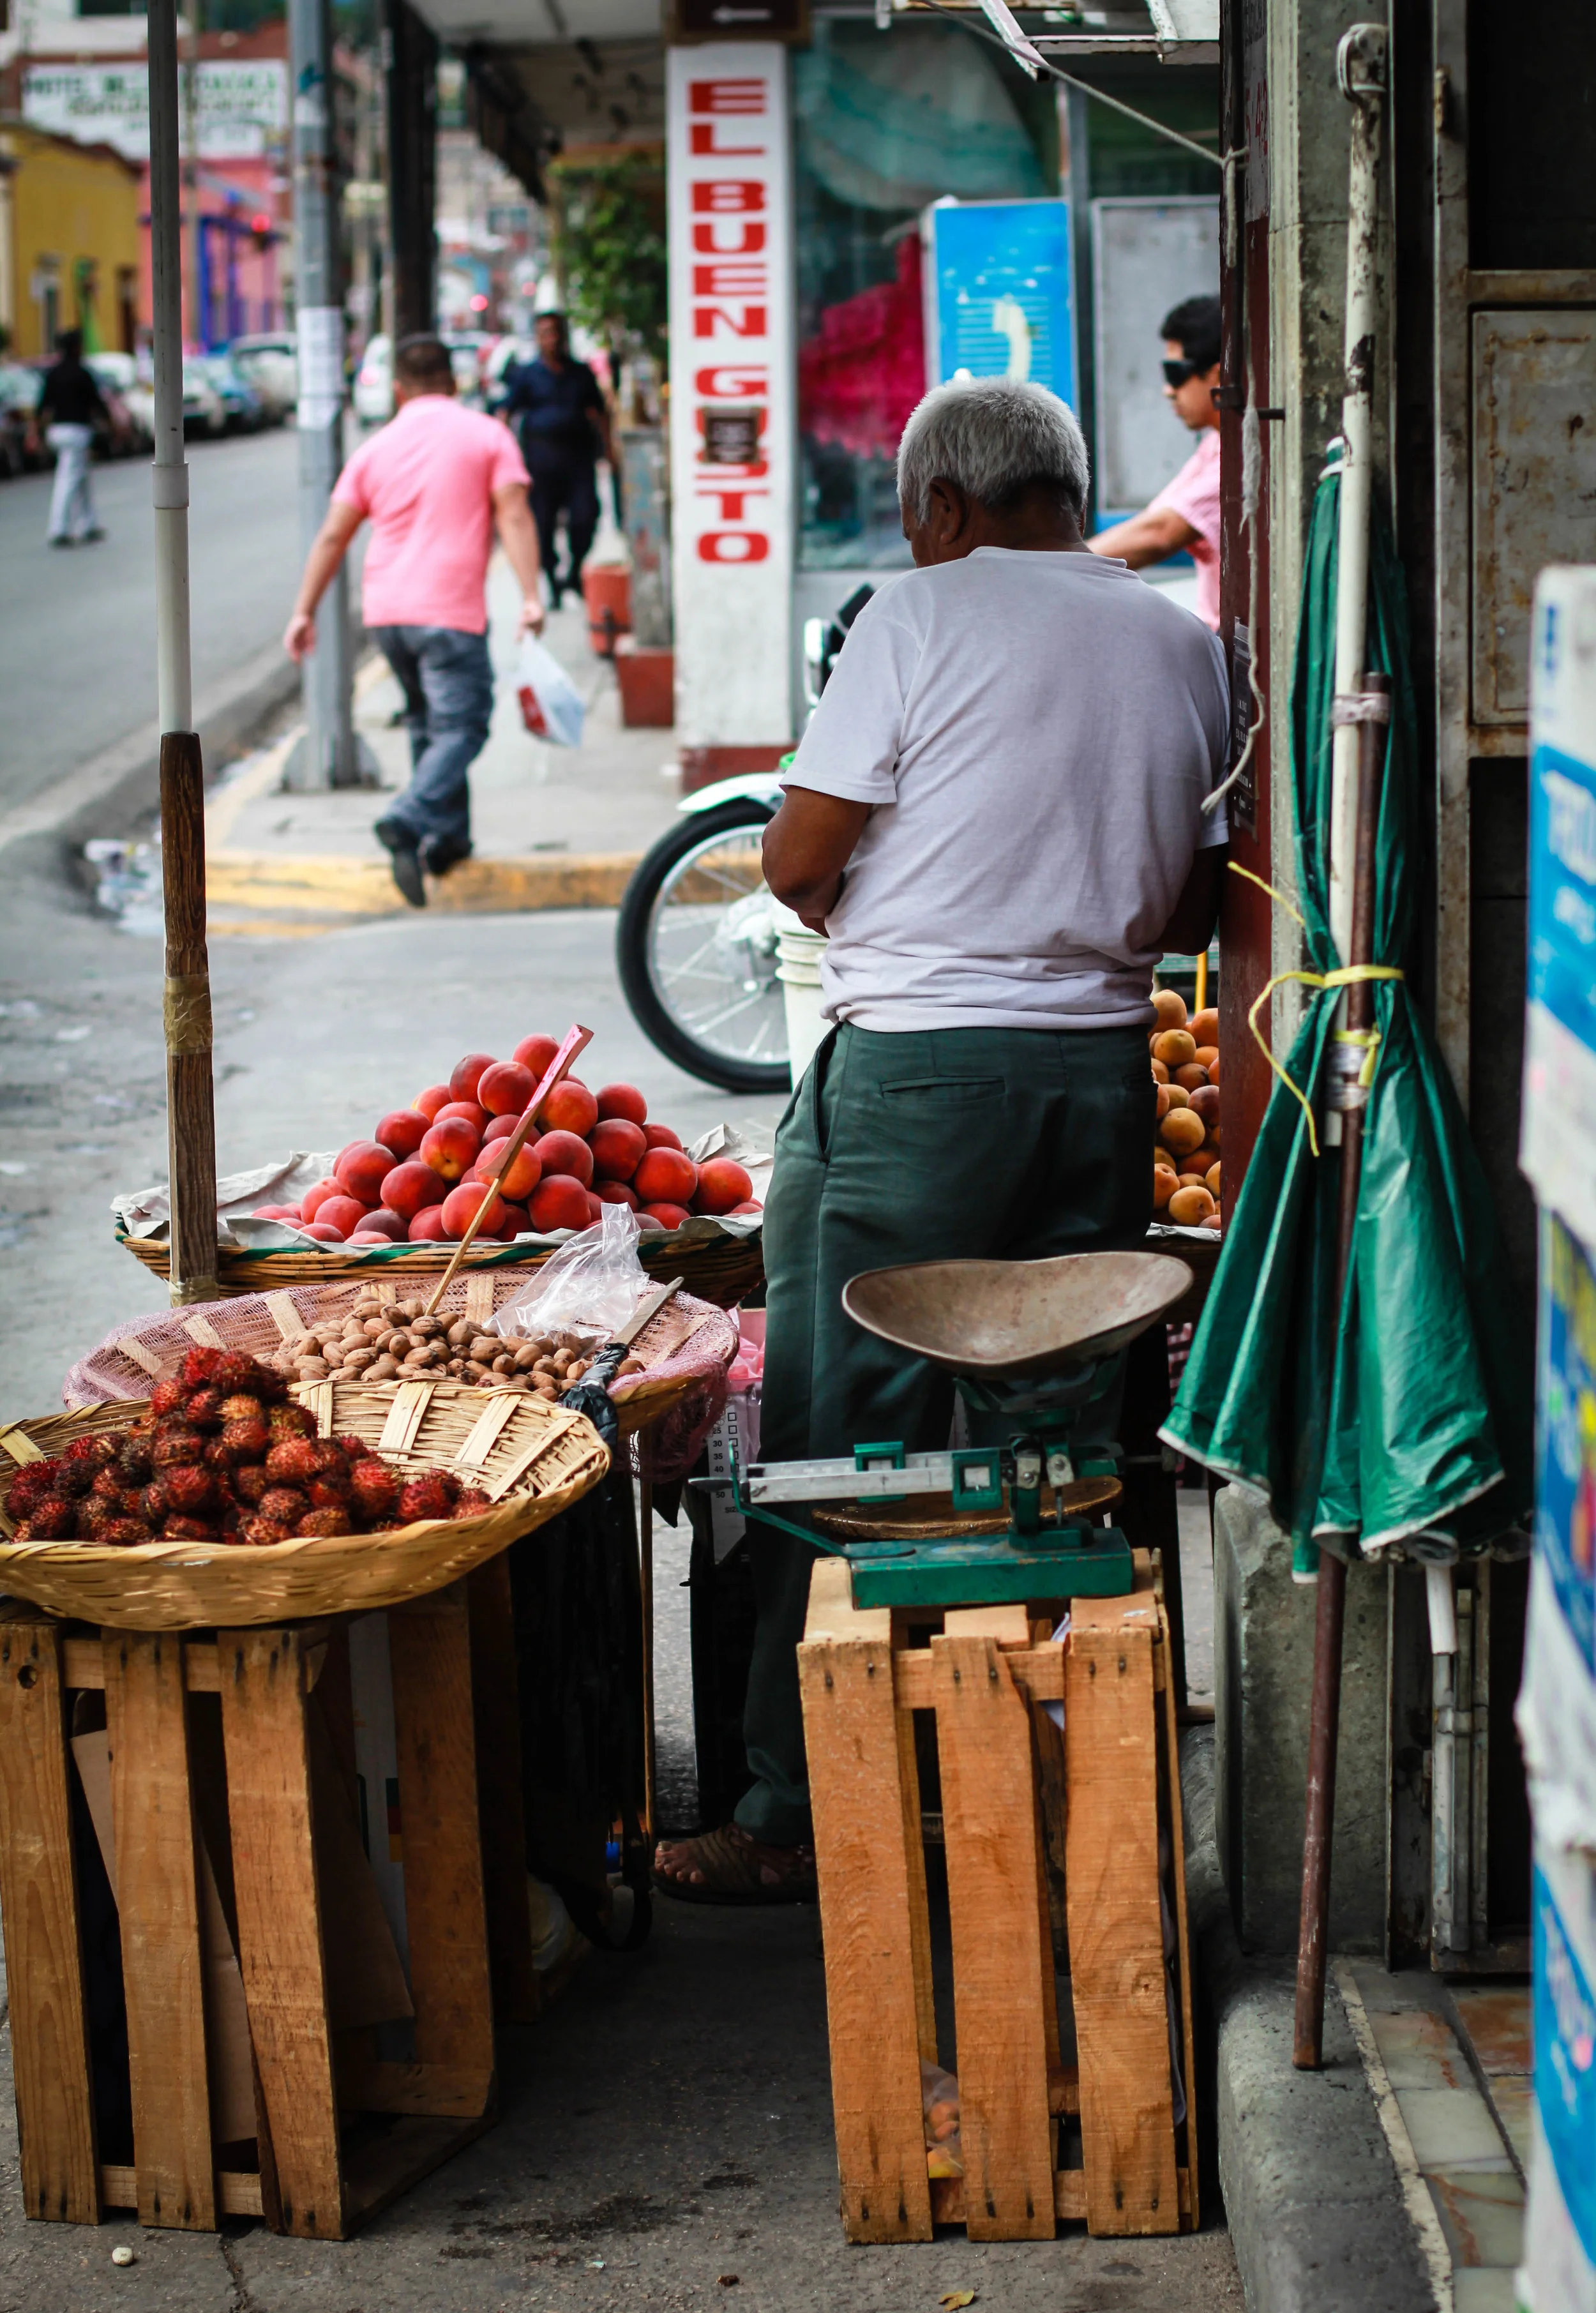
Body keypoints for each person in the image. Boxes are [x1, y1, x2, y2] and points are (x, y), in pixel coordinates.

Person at [654, 377, 1229, 1902]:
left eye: (920, 520)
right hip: (1100, 1078)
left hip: (915, 1079)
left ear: (949, 508)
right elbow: (1187, 905)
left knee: (854, 1438)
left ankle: (793, 1806)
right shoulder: (1181, 639)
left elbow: (791, 855)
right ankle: (1064, 1772)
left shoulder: (913, 622)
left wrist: (896, 907)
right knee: (1061, 1427)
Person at [283, 332, 545, 907]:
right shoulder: (485, 434)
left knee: (431, 724)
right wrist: (530, 593)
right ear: (454, 382)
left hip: (388, 616)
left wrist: (304, 610)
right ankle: (408, 817)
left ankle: (447, 840)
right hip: (448, 612)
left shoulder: (375, 448)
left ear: (398, 388)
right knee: (465, 726)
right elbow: (516, 515)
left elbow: (334, 534)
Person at [1088, 292, 1223, 631]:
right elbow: (1158, 518)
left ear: (1218, 375)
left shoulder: (1236, 463)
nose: (1168, 390)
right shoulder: (1214, 446)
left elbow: (1160, 533)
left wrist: (1041, 570)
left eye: (1176, 374)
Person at [499, 312, 612, 607]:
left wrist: (611, 452)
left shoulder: (581, 373)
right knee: (542, 525)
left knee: (586, 517)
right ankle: (552, 580)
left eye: (556, 332)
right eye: (545, 333)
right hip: (540, 462)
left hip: (578, 459)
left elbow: (600, 413)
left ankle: (575, 572)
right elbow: (506, 413)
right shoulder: (526, 374)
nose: (552, 339)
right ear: (537, 338)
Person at [38, 328, 110, 550]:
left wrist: (37, 434)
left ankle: (88, 523)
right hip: (77, 433)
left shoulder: (53, 374)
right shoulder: (82, 373)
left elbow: (42, 407)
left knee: (81, 477)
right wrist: (110, 424)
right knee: (68, 479)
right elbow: (97, 404)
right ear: (76, 348)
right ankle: (58, 528)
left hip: (57, 432)